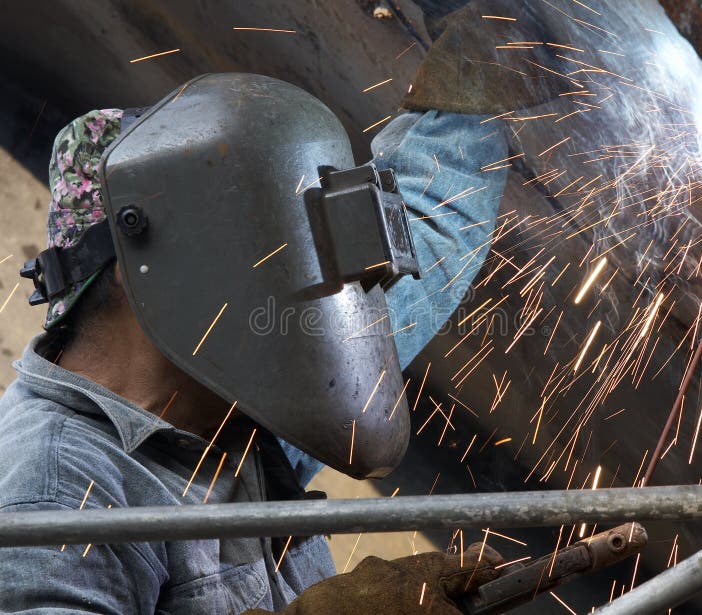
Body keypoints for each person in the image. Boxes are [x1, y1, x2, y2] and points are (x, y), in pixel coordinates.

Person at [0, 4, 535, 608]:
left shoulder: (223, 405)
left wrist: (488, 58)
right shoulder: (54, 491)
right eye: (245, 246)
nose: (274, 275)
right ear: (133, 267)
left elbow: (414, 241)